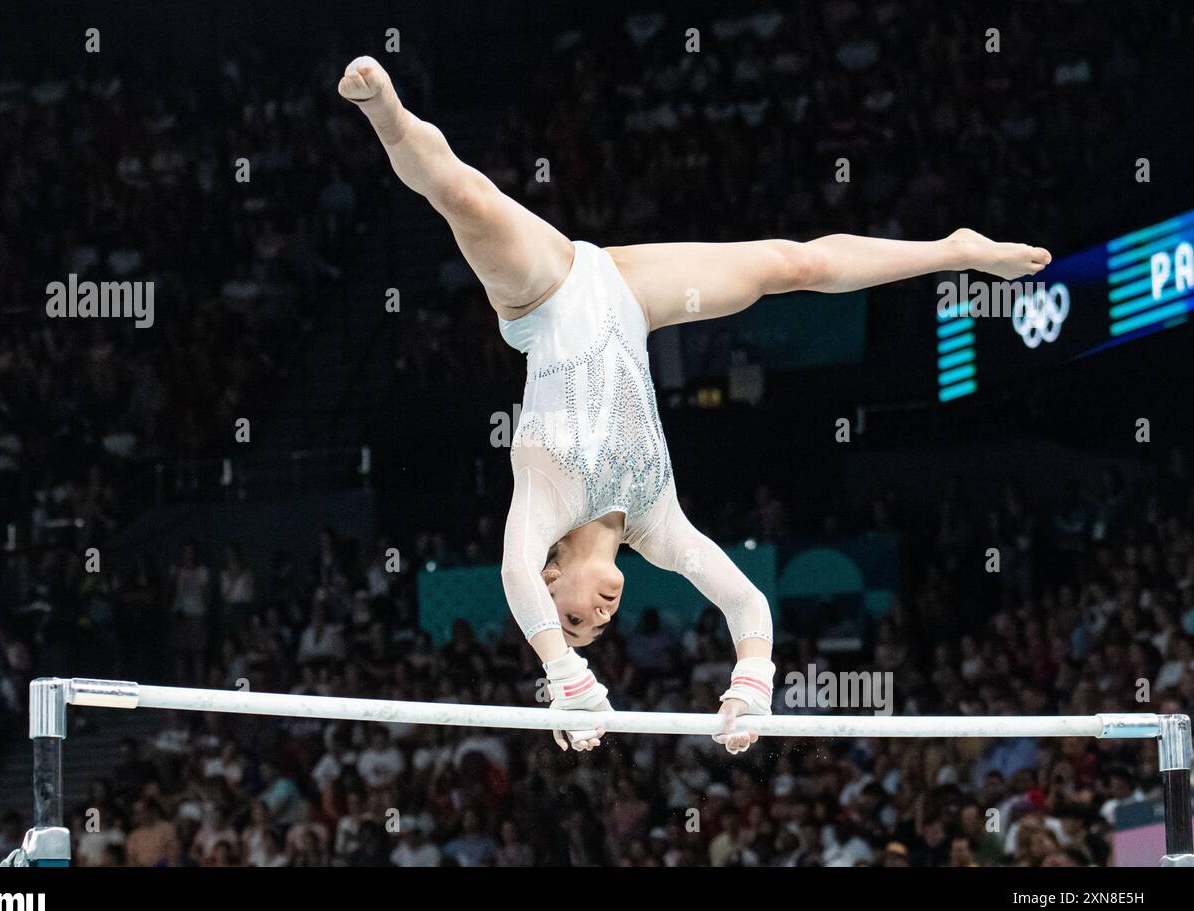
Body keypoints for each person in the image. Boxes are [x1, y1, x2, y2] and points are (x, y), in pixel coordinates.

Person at [340, 55, 1051, 755]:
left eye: (576, 622)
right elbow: (747, 604)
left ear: (554, 579)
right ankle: (954, 250)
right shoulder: (657, 525)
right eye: (592, 634)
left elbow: (511, 575)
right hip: (630, 295)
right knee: (792, 267)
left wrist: (565, 673)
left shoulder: (545, 505)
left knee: (467, 200)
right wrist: (751, 687)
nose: (597, 623)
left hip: (543, 294)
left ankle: (387, 115)